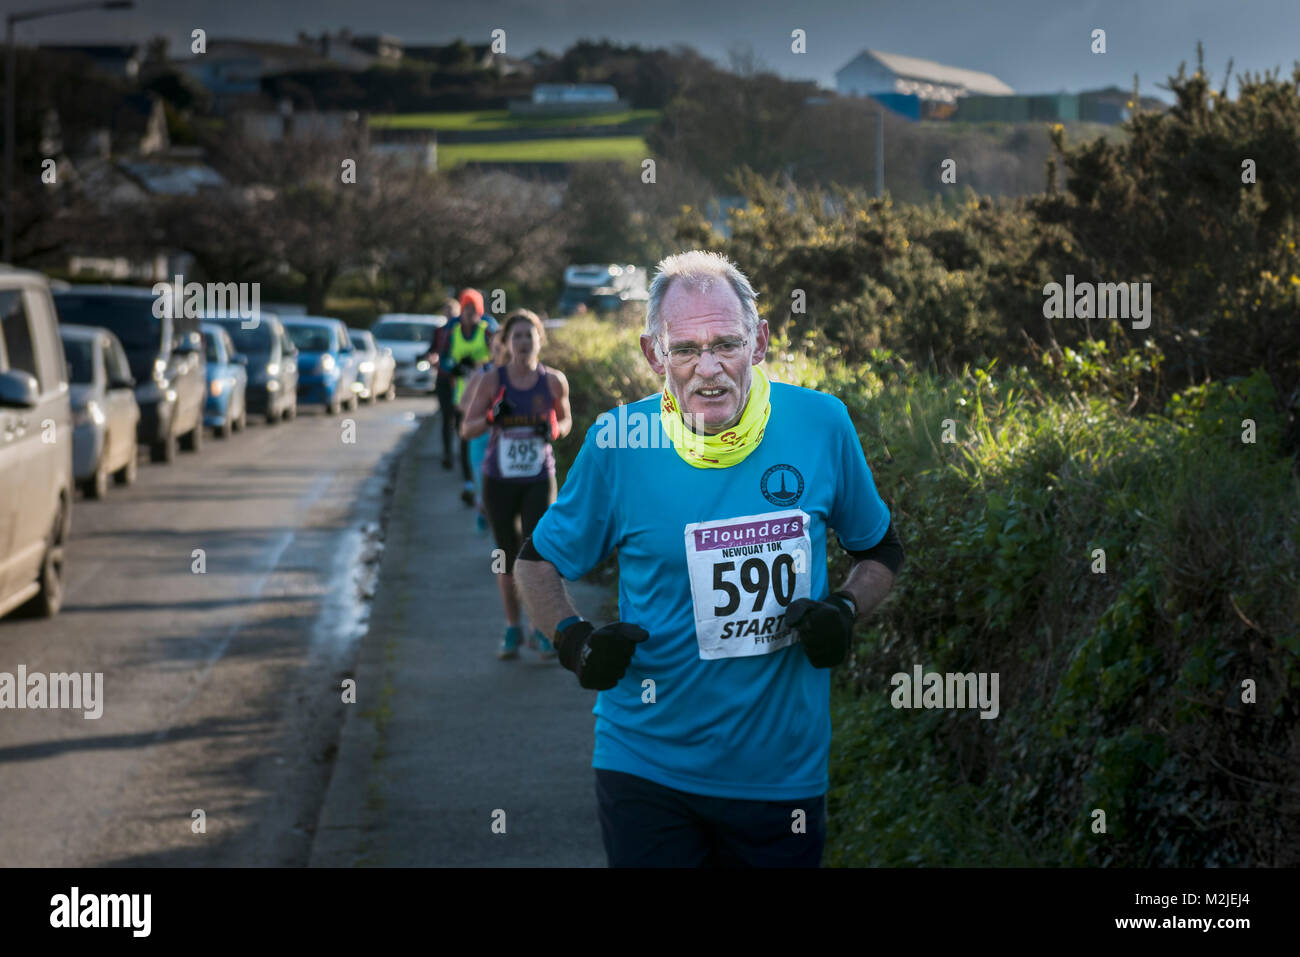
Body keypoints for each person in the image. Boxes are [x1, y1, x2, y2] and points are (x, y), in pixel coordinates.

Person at [513, 250, 905, 868]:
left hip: (781, 775)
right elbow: (535, 561)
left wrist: (846, 609)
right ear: (652, 354)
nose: (709, 369)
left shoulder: (822, 424)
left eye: (727, 343)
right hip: (645, 763)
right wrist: (573, 640)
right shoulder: (620, 442)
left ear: (761, 341)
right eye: (685, 349)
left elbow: (879, 548)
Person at [462, 308, 572, 661]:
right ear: (506, 343)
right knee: (505, 555)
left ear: (539, 340)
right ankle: (513, 627)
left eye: (529, 335)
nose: (524, 342)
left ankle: (542, 631)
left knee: (537, 552)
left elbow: (566, 421)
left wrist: (552, 429)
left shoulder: (553, 381)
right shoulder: (493, 380)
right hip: (499, 479)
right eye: (517, 336)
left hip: (539, 477)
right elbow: (468, 428)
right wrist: (493, 416)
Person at [430, 289, 495, 503]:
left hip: (486, 394)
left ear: (480, 311)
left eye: (473, 309)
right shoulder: (453, 332)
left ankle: (485, 479)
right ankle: (469, 481)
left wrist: (482, 366)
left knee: (485, 438)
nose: (469, 313)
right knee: (464, 436)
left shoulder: (487, 331)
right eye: (466, 309)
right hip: (463, 396)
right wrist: (454, 368)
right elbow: (444, 358)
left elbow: (499, 357)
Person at [459, 334, 510, 534]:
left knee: (504, 495)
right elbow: (463, 405)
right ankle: (484, 509)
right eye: (495, 348)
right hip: (481, 440)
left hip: (506, 442)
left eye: (502, 348)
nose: (500, 352)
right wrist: (486, 413)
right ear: (490, 349)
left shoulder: (515, 376)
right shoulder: (482, 373)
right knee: (486, 490)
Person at [428, 297, 462, 471]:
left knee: (459, 420)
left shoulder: (462, 331)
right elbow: (432, 350)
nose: (449, 317)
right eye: (446, 314)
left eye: (453, 313)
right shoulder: (439, 331)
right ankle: (447, 454)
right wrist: (432, 358)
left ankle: (461, 455)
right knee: (446, 417)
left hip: (459, 381)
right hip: (442, 379)